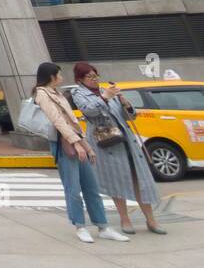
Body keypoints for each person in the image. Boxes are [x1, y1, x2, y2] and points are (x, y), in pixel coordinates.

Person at [31, 61, 129, 244]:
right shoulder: (42, 94)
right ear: (51, 76)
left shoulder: (57, 93)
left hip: (75, 140)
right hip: (63, 144)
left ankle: (103, 226)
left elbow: (72, 122)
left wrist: (87, 146)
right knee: (73, 188)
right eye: (59, 74)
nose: (62, 77)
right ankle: (80, 226)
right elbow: (58, 121)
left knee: (91, 186)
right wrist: (76, 144)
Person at [69, 62, 165, 235]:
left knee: (140, 179)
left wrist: (124, 102)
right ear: (80, 79)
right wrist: (104, 97)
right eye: (90, 77)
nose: (94, 79)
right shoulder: (78, 93)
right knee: (116, 180)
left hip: (126, 139)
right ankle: (124, 219)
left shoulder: (108, 89)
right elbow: (90, 112)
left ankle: (151, 219)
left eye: (95, 75)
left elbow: (130, 116)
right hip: (107, 142)